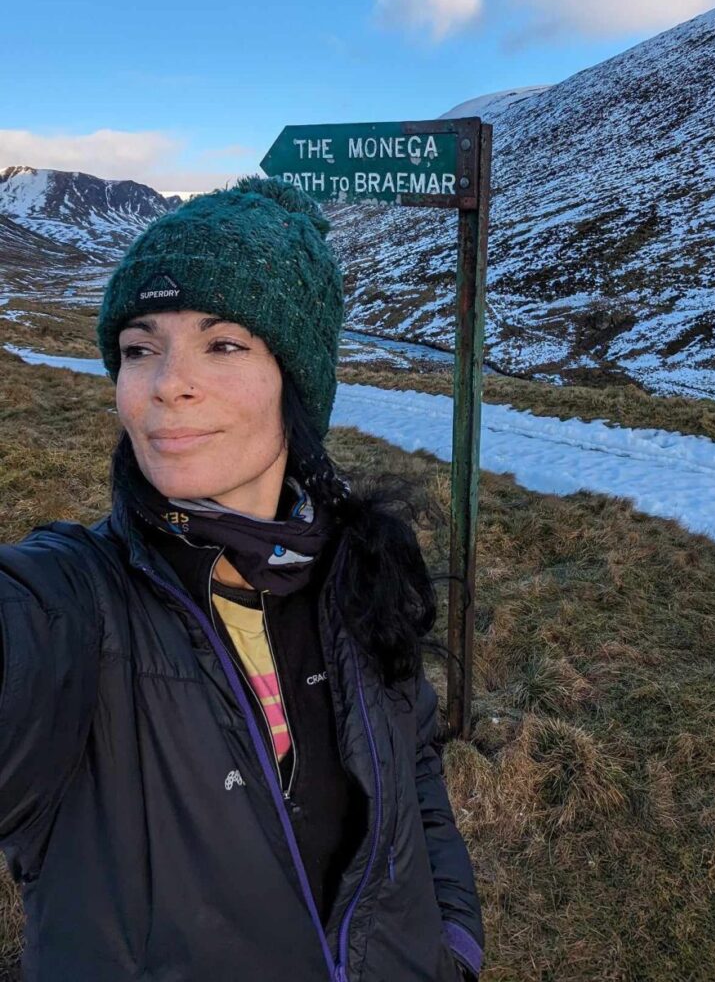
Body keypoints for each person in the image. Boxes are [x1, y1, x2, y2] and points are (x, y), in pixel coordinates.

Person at [0, 176, 484, 982]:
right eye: (138, 348)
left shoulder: (358, 573)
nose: (165, 384)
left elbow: (414, 768)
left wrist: (454, 939)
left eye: (222, 345)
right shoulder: (70, 602)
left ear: (295, 385)